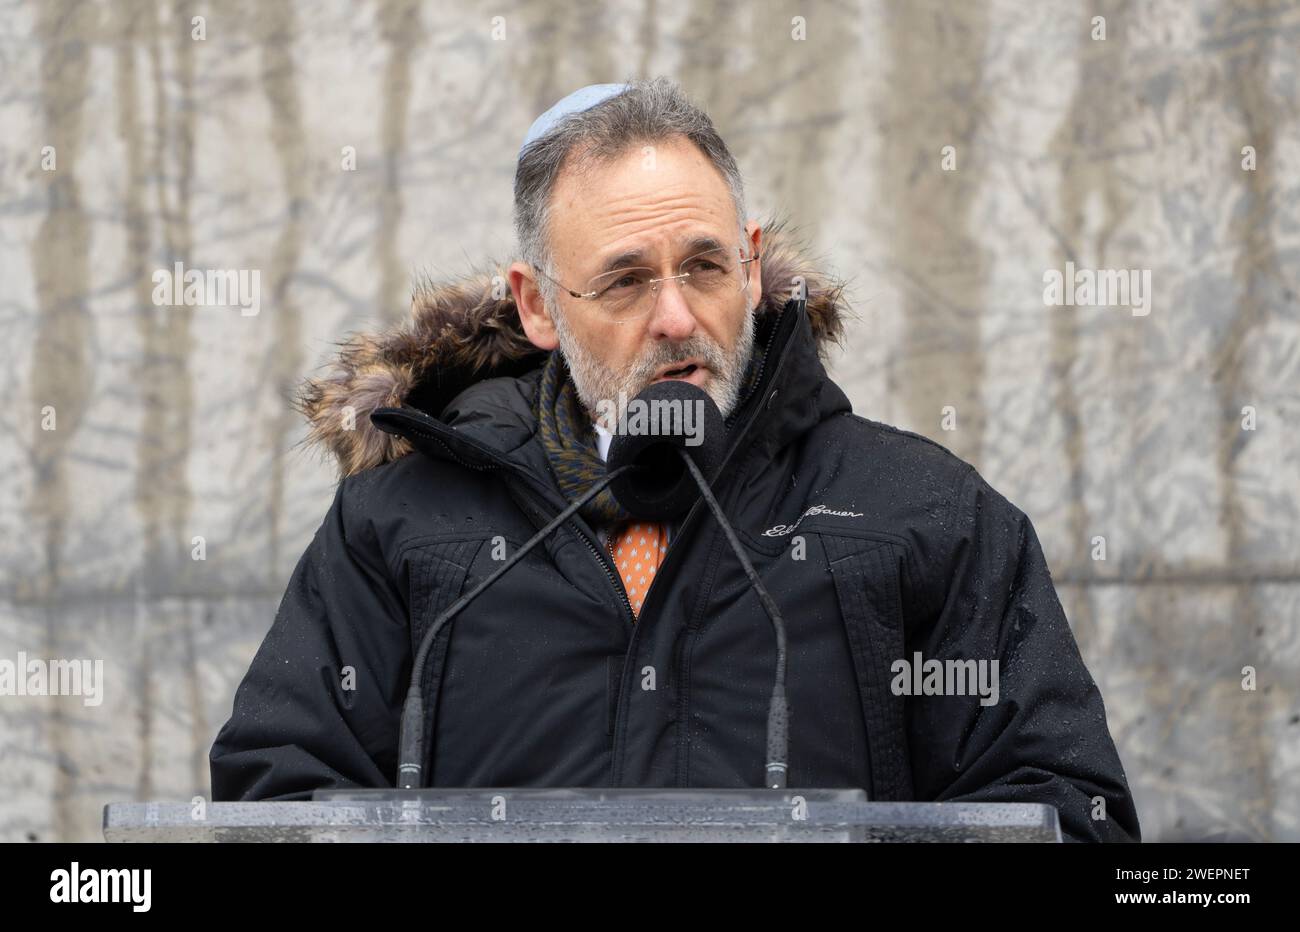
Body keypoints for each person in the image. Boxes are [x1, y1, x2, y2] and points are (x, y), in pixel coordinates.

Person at [210, 77, 1140, 842]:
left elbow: (1065, 809)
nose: (675, 317)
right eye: (624, 280)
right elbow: (279, 797)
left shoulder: (921, 513)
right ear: (537, 305)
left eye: (703, 266)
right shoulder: (401, 524)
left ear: (751, 264)